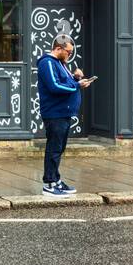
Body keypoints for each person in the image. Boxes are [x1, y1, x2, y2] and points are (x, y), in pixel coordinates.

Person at [36, 34, 90, 197]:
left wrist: (75, 78)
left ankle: (56, 180)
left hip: (63, 112)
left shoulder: (60, 63)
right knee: (54, 148)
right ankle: (49, 184)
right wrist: (77, 85)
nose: (69, 55)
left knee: (59, 148)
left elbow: (66, 83)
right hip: (55, 113)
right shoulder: (47, 63)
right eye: (68, 51)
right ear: (58, 48)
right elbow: (55, 86)